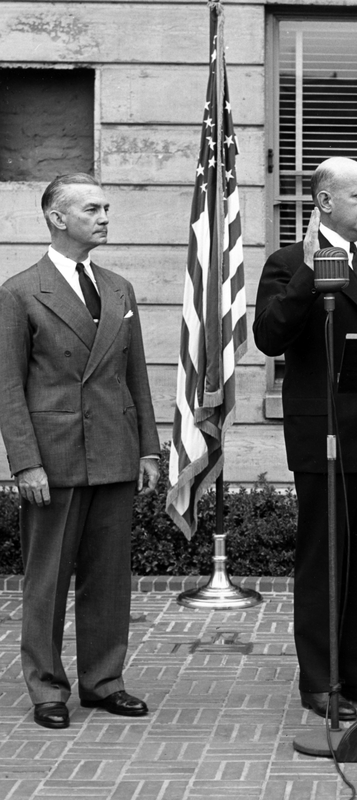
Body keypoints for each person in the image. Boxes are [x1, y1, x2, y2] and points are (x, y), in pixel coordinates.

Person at [253, 157, 357, 720]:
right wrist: (308, 271)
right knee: (325, 560)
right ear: (324, 202)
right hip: (324, 436)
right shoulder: (285, 263)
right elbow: (270, 337)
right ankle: (319, 681)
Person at [0, 174, 160, 730]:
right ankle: (46, 687)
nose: (105, 217)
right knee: (47, 578)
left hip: (115, 453)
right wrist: (25, 462)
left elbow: (134, 375)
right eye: (92, 208)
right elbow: (8, 386)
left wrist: (148, 450)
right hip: (56, 457)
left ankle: (103, 681)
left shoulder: (118, 288)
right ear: (56, 217)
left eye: (107, 207)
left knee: (109, 577)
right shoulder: (20, 292)